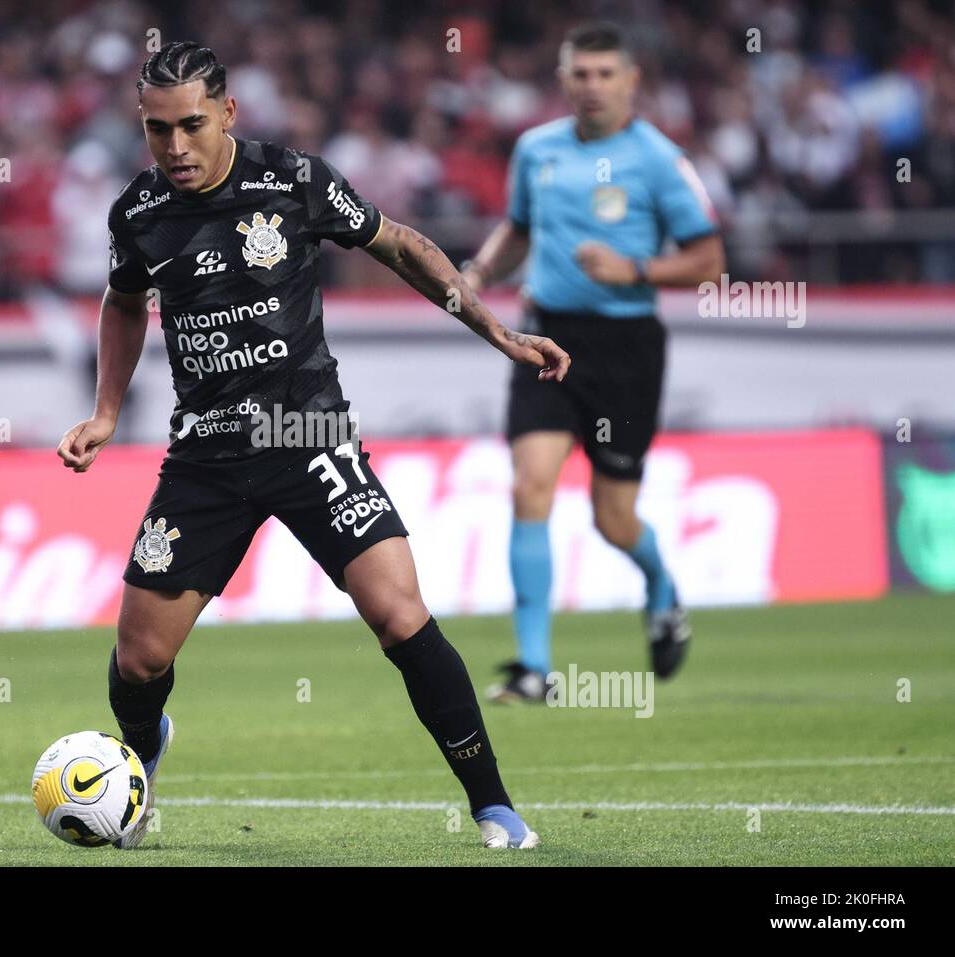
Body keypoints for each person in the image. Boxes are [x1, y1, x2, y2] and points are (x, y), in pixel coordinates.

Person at [57, 41, 570, 850]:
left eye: (191, 125)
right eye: (158, 131)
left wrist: (499, 333)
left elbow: (400, 244)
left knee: (400, 614)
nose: (176, 147)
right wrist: (106, 411)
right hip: (207, 455)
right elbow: (123, 305)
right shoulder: (139, 212)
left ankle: (493, 804)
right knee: (140, 658)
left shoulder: (293, 181)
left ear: (228, 111)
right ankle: (145, 750)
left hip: (309, 435)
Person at [460, 22, 724, 702]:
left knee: (613, 518)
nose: (593, 85)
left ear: (631, 80)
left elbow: (709, 260)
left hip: (625, 347)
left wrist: (630, 267)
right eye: (582, 73)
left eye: (607, 73)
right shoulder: (535, 149)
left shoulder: (659, 160)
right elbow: (518, 227)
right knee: (530, 486)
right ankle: (534, 668)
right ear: (564, 80)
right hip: (545, 338)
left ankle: (661, 583)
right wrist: (482, 267)